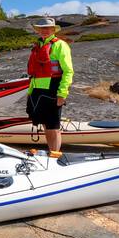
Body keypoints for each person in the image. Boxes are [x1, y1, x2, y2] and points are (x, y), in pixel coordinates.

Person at [25, 17, 73, 154]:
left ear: (53, 30)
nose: (44, 31)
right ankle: (51, 152)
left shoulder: (61, 45)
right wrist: (30, 92)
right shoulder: (37, 46)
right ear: (38, 31)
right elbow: (34, 74)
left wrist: (62, 93)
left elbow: (68, 71)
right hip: (38, 91)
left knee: (54, 126)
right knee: (46, 125)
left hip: (53, 88)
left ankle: (55, 156)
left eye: (47, 28)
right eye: (42, 28)